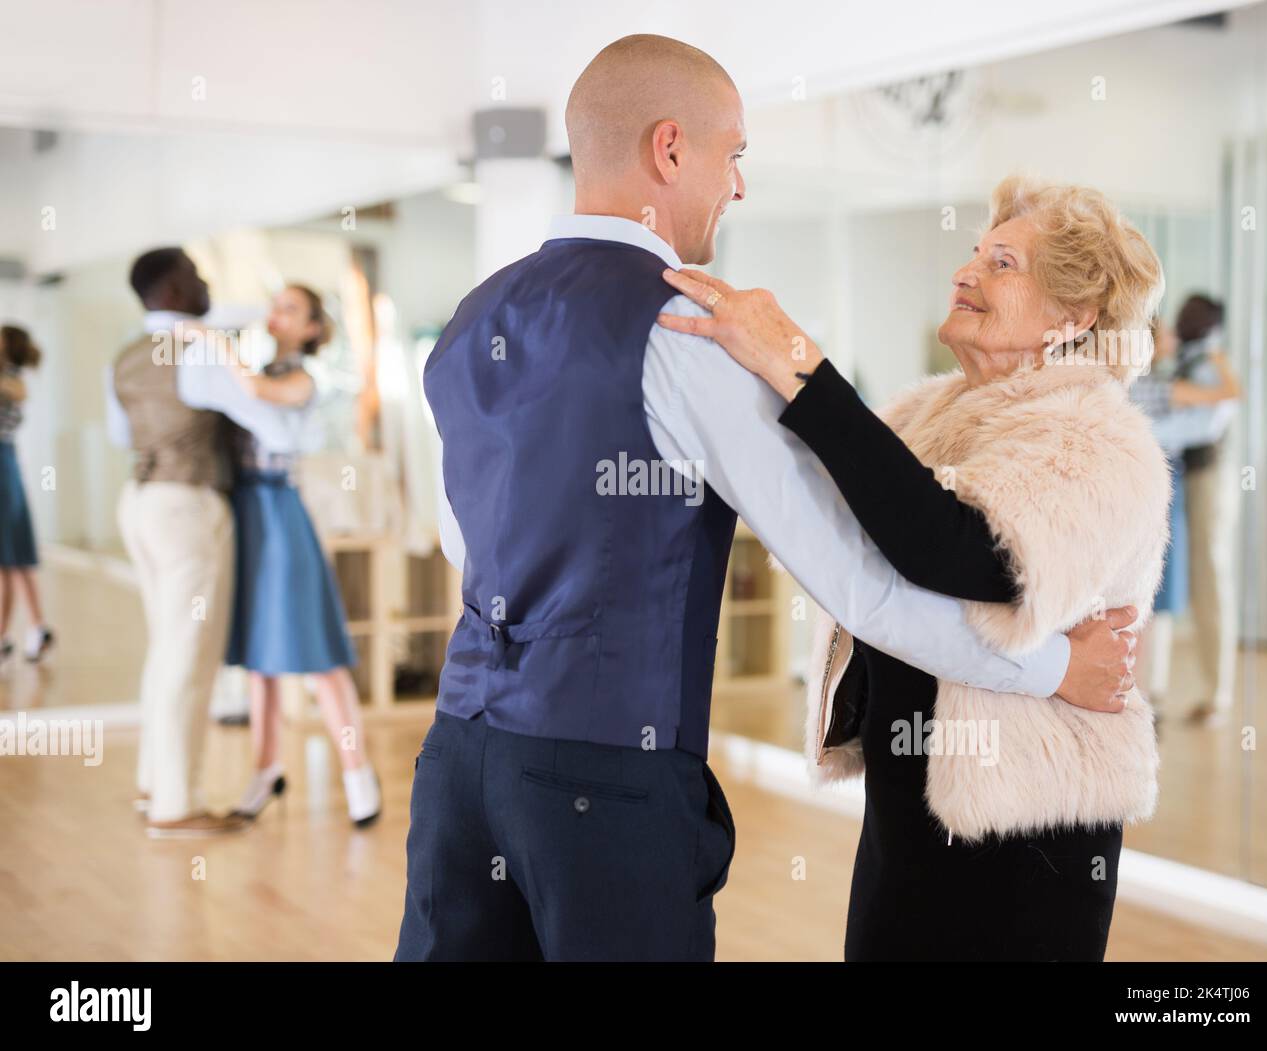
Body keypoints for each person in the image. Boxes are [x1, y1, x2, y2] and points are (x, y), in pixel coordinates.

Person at [395, 36, 1134, 963]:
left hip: (460, 760)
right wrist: (1054, 669)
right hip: (606, 776)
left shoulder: (473, 318)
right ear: (671, 150)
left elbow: (464, 541)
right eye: (732, 155)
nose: (737, 187)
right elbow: (860, 584)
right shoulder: (691, 327)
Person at [659, 176, 1168, 961]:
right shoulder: (925, 410)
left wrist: (797, 357)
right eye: (973, 255)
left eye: (1002, 263)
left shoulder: (1099, 436)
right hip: (905, 812)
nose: (965, 272)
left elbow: (958, 550)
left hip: (1027, 831)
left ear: (1074, 316)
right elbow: (833, 501)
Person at [107, 248, 304, 838]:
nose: (204, 283)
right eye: (195, 276)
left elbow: (123, 433)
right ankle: (176, 804)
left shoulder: (126, 356)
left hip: (139, 501)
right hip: (188, 506)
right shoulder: (197, 352)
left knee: (166, 649)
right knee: (188, 657)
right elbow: (269, 423)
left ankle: (154, 786)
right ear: (171, 289)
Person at [224, 285, 380, 827]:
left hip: (280, 510)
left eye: (290, 309)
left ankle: (357, 771)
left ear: (312, 328)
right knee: (259, 657)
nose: (276, 314)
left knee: (317, 653)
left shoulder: (300, 380)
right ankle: (265, 769)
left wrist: (205, 337)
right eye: (275, 304)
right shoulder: (259, 366)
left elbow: (254, 390)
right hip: (243, 510)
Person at [1130, 315, 1238, 722]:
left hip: (1162, 488)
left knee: (1157, 591)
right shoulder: (1154, 387)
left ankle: (1151, 691)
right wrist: (1216, 355)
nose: (1174, 336)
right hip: (1160, 491)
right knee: (1160, 590)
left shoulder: (1151, 382)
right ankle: (1150, 692)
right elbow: (1229, 393)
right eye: (1166, 333)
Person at [0, 325, 54, 664]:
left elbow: (17, 392)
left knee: (10, 560)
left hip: (4, 468)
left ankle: (18, 631)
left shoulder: (11, 381)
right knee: (13, 560)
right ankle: (33, 627)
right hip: (8, 468)